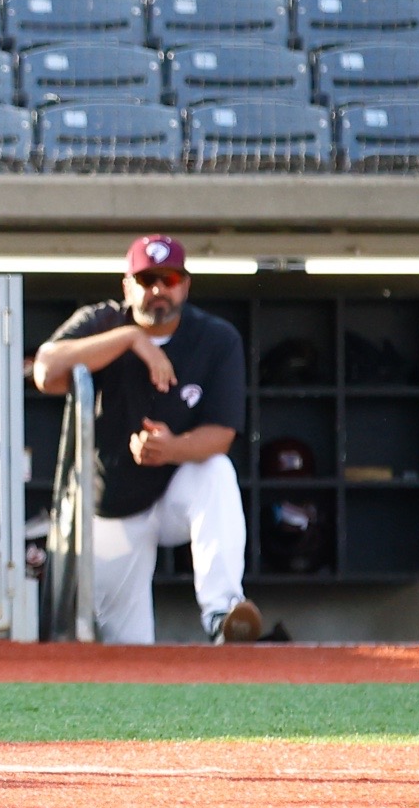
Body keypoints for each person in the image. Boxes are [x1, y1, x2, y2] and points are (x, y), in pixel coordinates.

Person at [32, 234, 261, 644]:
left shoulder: (215, 337)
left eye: (169, 278)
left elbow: (222, 434)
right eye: (146, 279)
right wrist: (131, 340)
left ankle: (222, 611)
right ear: (127, 285)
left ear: (185, 285)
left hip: (175, 490)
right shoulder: (104, 320)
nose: (158, 289)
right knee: (125, 645)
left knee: (216, 471)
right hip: (114, 504)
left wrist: (170, 448)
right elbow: (46, 371)